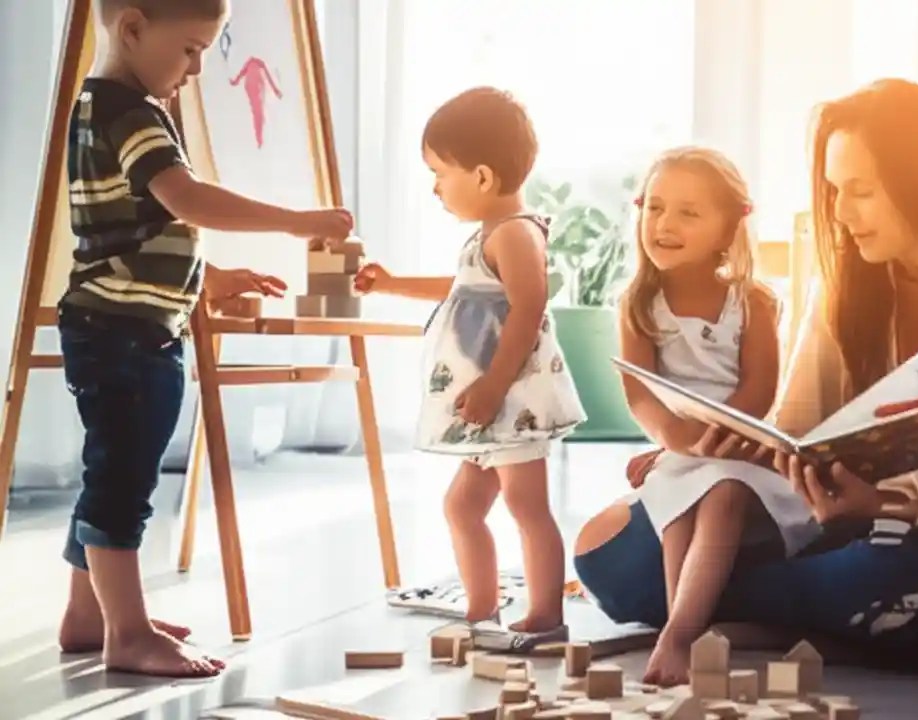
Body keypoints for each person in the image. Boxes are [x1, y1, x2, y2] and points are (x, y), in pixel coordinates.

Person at [574, 79, 918, 667]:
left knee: (889, 574)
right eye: (834, 190)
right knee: (609, 555)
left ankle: (742, 612)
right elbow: (797, 433)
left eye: (860, 191)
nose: (839, 211)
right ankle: (808, 618)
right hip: (860, 532)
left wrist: (887, 500)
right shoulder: (846, 293)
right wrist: (707, 457)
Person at [59, 0, 353, 678]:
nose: (195, 69)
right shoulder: (131, 112)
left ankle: (89, 613)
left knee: (113, 468)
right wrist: (294, 220)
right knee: (121, 480)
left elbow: (129, 228)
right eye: (190, 49)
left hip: (119, 325)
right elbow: (188, 201)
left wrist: (205, 276)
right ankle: (126, 633)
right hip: (123, 332)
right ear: (132, 28)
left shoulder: (104, 106)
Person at [355, 87, 585, 642]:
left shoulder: (516, 232)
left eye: (439, 173)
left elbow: (529, 307)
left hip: (510, 403)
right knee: (462, 507)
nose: (434, 187)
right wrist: (390, 284)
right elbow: (461, 289)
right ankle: (481, 612)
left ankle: (546, 615)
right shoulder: (487, 236)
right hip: (492, 410)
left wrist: (492, 384)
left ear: (481, 177)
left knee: (526, 506)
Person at [616, 147, 819, 684]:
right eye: (655, 207)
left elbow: (759, 389)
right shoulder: (637, 302)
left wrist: (711, 436)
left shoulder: (753, 301)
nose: (664, 223)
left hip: (739, 445)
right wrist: (674, 439)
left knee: (722, 492)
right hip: (682, 447)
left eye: (688, 212)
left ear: (728, 226)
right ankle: (682, 627)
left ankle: (679, 633)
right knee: (681, 503)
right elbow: (639, 394)